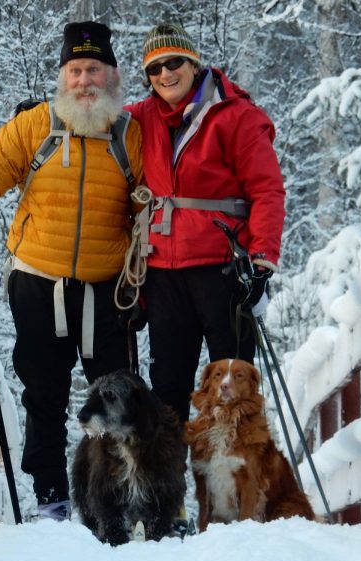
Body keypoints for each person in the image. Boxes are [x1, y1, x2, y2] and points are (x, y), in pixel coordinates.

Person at [0, 21, 143, 521]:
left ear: (112, 76)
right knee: (43, 391)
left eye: (94, 69)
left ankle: (113, 501)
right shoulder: (35, 126)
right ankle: (51, 498)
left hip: (107, 289)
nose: (84, 80)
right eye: (75, 70)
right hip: (37, 281)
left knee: (117, 396)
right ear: (63, 76)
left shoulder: (132, 136)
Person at [125, 23, 286, 424]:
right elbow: (90, 121)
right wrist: (45, 117)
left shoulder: (236, 116)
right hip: (163, 271)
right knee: (167, 386)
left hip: (224, 267)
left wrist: (261, 260)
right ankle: (171, 484)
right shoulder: (140, 117)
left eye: (174, 62)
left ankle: (234, 482)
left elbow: (267, 190)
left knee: (232, 388)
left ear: (194, 63)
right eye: (154, 68)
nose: (165, 74)